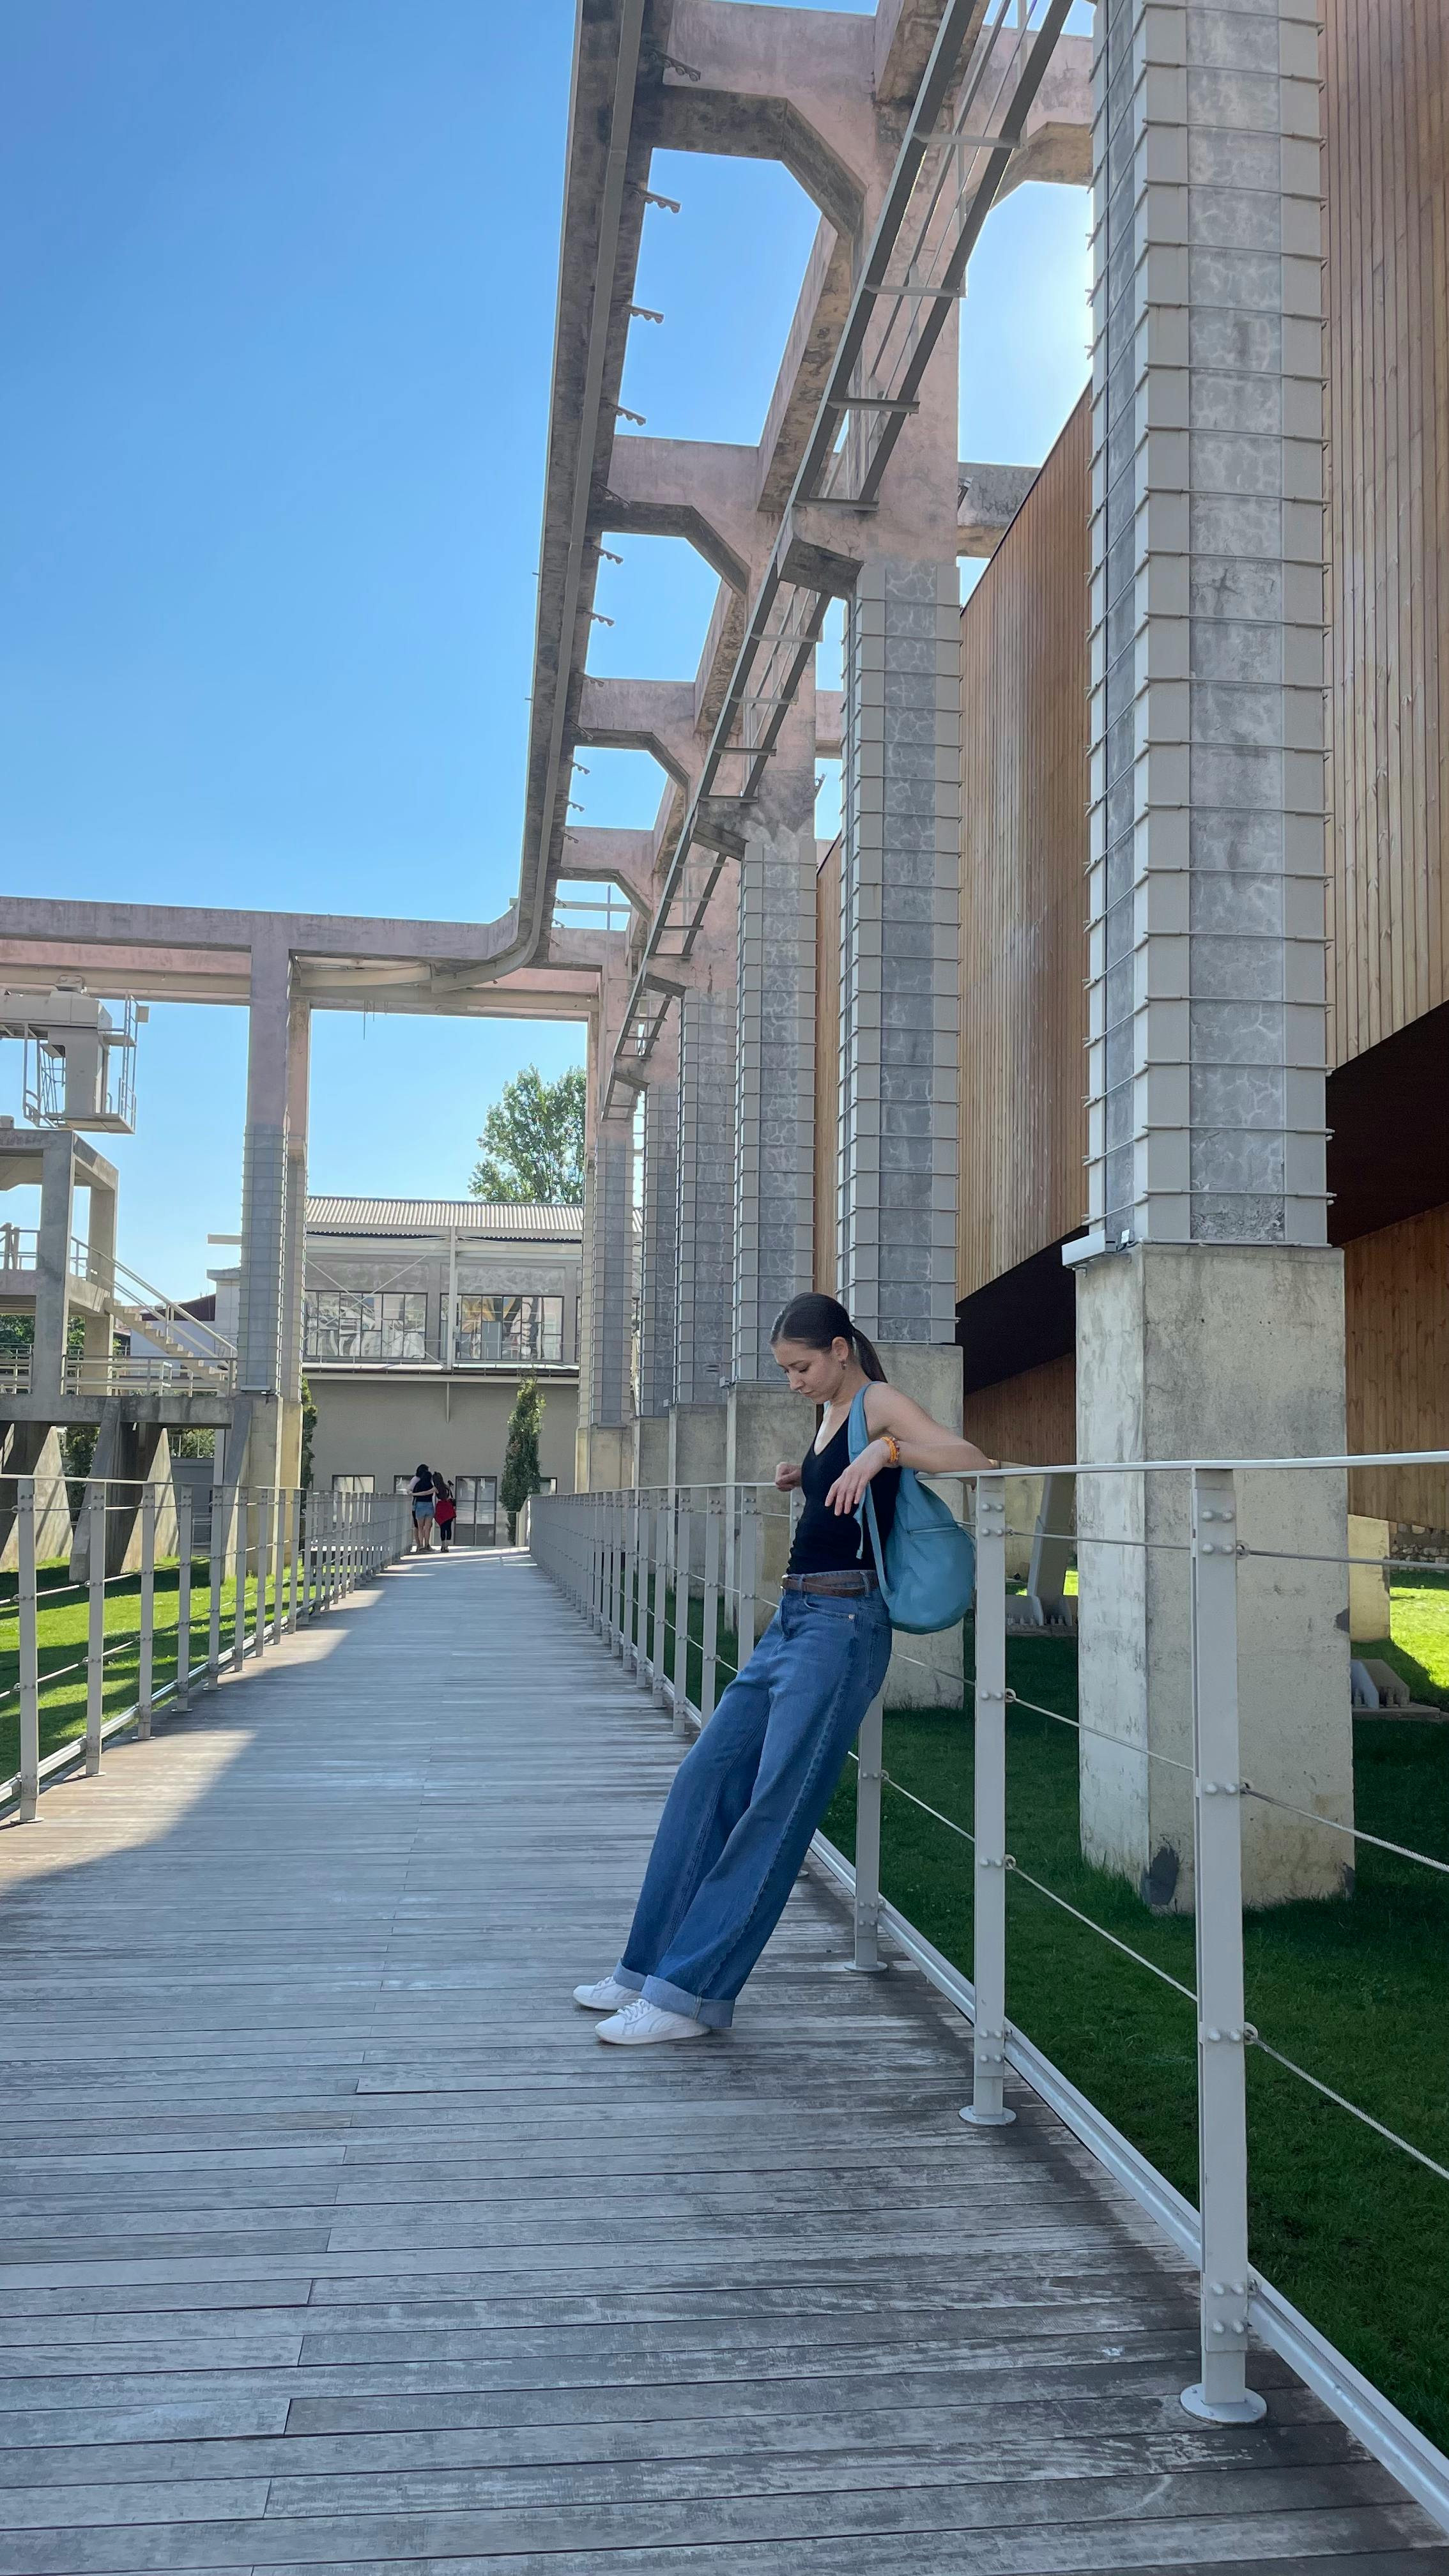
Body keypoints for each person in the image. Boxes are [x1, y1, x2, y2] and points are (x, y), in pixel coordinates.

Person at [574, 1292, 998, 2047]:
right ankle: (644, 1972)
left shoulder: (879, 1401)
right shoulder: (826, 1412)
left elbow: (971, 1459)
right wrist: (802, 1477)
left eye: (801, 1366)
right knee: (704, 1778)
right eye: (786, 1370)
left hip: (842, 1627)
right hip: (793, 1619)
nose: (794, 1381)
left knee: (776, 1804)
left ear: (840, 1348)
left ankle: (690, 1995)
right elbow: (843, 1504)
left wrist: (886, 1451)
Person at [408, 1463, 436, 1552]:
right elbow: (429, 1492)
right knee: (427, 1528)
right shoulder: (431, 1485)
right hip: (429, 1505)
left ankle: (420, 1545)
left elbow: (412, 1491)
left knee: (419, 1527)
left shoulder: (417, 1484)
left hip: (419, 1506)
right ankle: (427, 1545)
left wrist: (413, 1494)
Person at [434, 1476, 457, 1552]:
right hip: (448, 1508)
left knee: (442, 1528)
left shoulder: (437, 1488)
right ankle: (447, 1545)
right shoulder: (447, 1487)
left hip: (441, 1508)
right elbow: (451, 1498)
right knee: (449, 1528)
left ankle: (443, 1545)